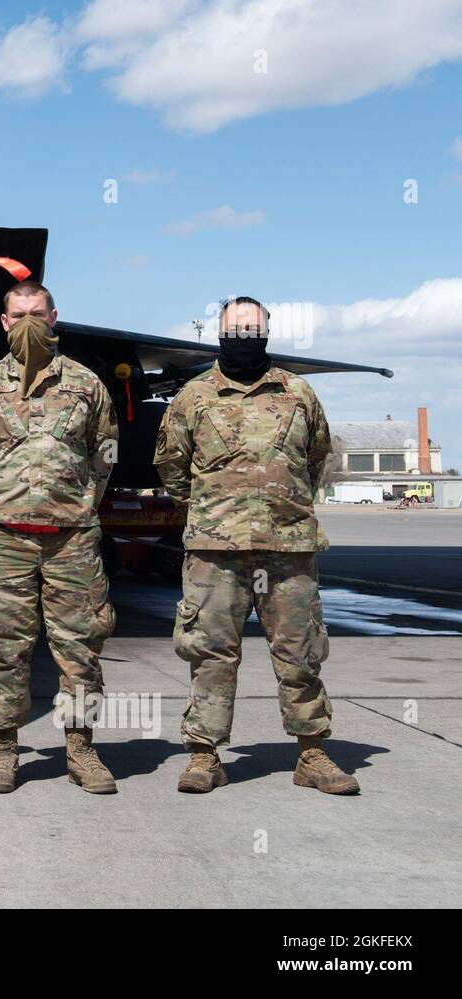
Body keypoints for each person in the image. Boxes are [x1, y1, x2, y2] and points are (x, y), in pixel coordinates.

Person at [153, 296, 358, 795]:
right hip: (215, 552)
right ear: (219, 334)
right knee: (209, 652)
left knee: (301, 653)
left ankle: (312, 753)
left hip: (287, 549)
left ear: (267, 331)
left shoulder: (298, 392)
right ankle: (204, 756)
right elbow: (171, 466)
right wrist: (213, 511)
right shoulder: (193, 396)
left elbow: (315, 458)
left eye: (252, 328)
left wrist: (279, 504)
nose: (243, 336)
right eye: (234, 328)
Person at [0, 280, 119, 794]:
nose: (28, 324)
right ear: (3, 323)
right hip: (4, 542)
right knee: (4, 647)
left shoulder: (87, 387)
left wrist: (80, 506)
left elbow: (103, 455)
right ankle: (3, 748)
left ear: (54, 317)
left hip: (71, 540)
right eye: (18, 315)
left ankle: (81, 748)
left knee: (81, 647)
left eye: (36, 314)